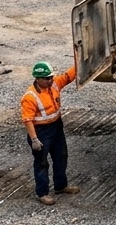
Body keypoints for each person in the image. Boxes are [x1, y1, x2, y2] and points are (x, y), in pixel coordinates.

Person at [22, 62, 79, 205]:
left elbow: (67, 77)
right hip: (41, 132)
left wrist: (81, 63)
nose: (50, 80)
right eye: (46, 78)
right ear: (37, 78)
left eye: (51, 77)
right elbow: (27, 120)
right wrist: (34, 139)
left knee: (61, 157)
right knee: (41, 163)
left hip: (56, 127)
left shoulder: (53, 85)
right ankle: (42, 193)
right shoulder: (30, 97)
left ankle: (61, 186)